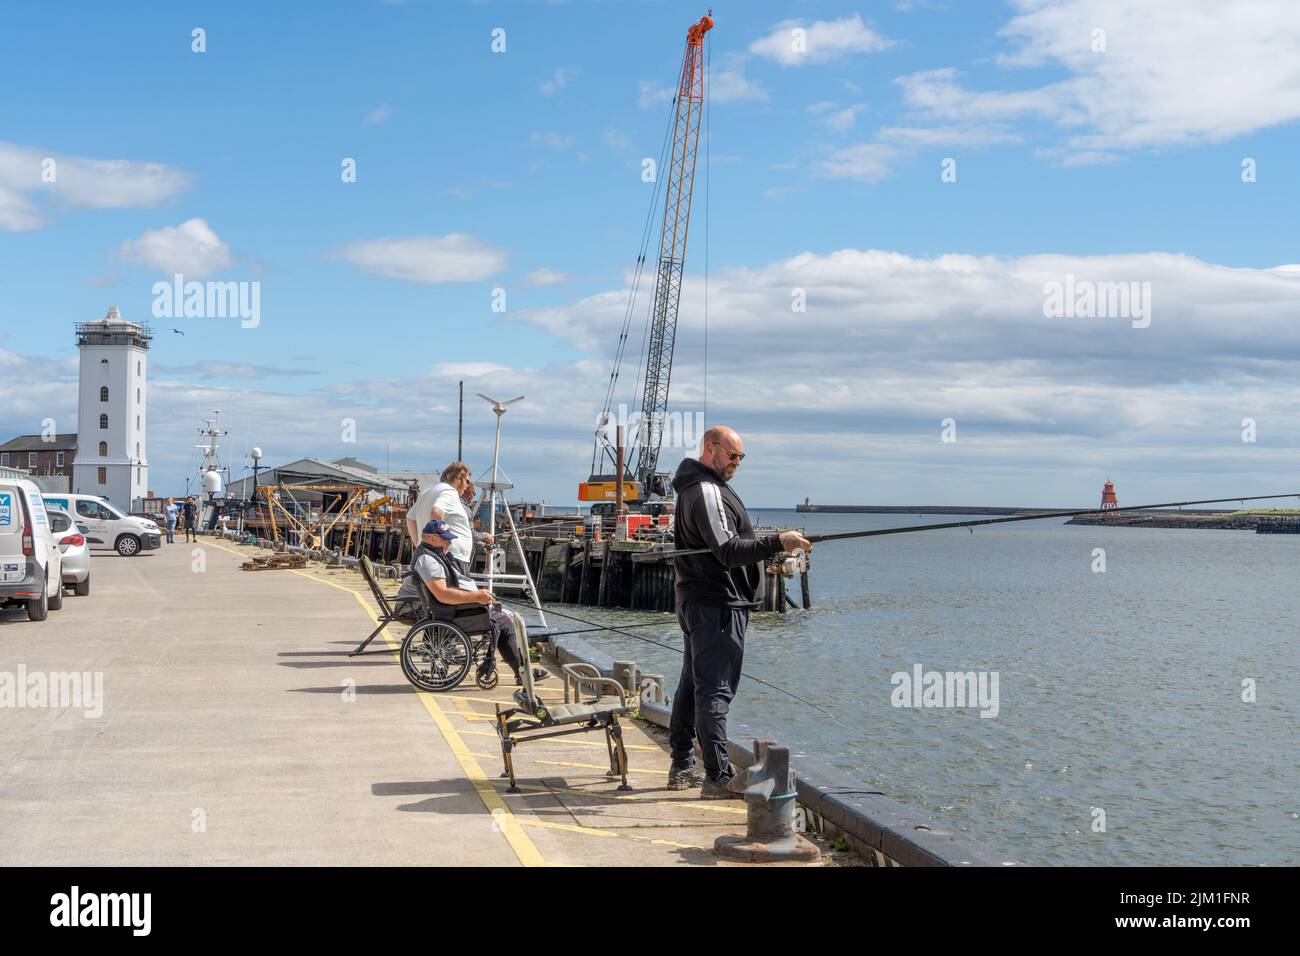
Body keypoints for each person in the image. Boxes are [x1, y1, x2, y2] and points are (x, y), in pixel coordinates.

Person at [667, 426, 811, 798]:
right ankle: (717, 777)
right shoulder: (706, 490)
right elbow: (728, 550)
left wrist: (767, 546)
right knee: (715, 689)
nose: (737, 463)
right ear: (710, 449)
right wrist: (777, 541)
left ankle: (683, 762)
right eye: (732, 455)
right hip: (716, 604)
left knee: (691, 683)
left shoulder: (695, 487)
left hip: (698, 600)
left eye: (741, 457)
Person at [397, 516, 547, 686]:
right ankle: (522, 673)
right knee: (504, 621)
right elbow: (442, 594)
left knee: (504, 616)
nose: (449, 543)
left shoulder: (433, 554)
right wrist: (476, 597)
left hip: (453, 609)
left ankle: (521, 671)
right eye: (445, 539)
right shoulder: (428, 560)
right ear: (432, 538)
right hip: (451, 613)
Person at [406, 462, 492, 573]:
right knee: (456, 590)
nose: (466, 486)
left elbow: (410, 518)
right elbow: (436, 512)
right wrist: (442, 545)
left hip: (433, 558)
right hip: (451, 560)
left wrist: (419, 544)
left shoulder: (429, 489)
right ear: (457, 478)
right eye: (467, 481)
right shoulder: (449, 491)